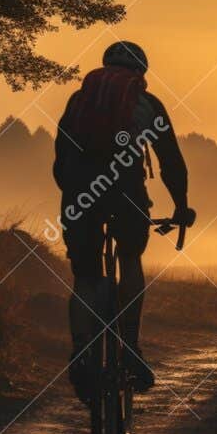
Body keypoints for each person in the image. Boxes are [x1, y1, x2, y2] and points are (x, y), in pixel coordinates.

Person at [53, 40, 190, 396]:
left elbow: (61, 157)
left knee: (84, 276)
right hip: (126, 190)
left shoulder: (79, 100)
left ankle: (81, 350)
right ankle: (129, 347)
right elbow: (170, 161)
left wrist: (74, 197)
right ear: (140, 72)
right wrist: (181, 205)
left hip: (81, 191)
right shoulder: (147, 103)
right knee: (129, 258)